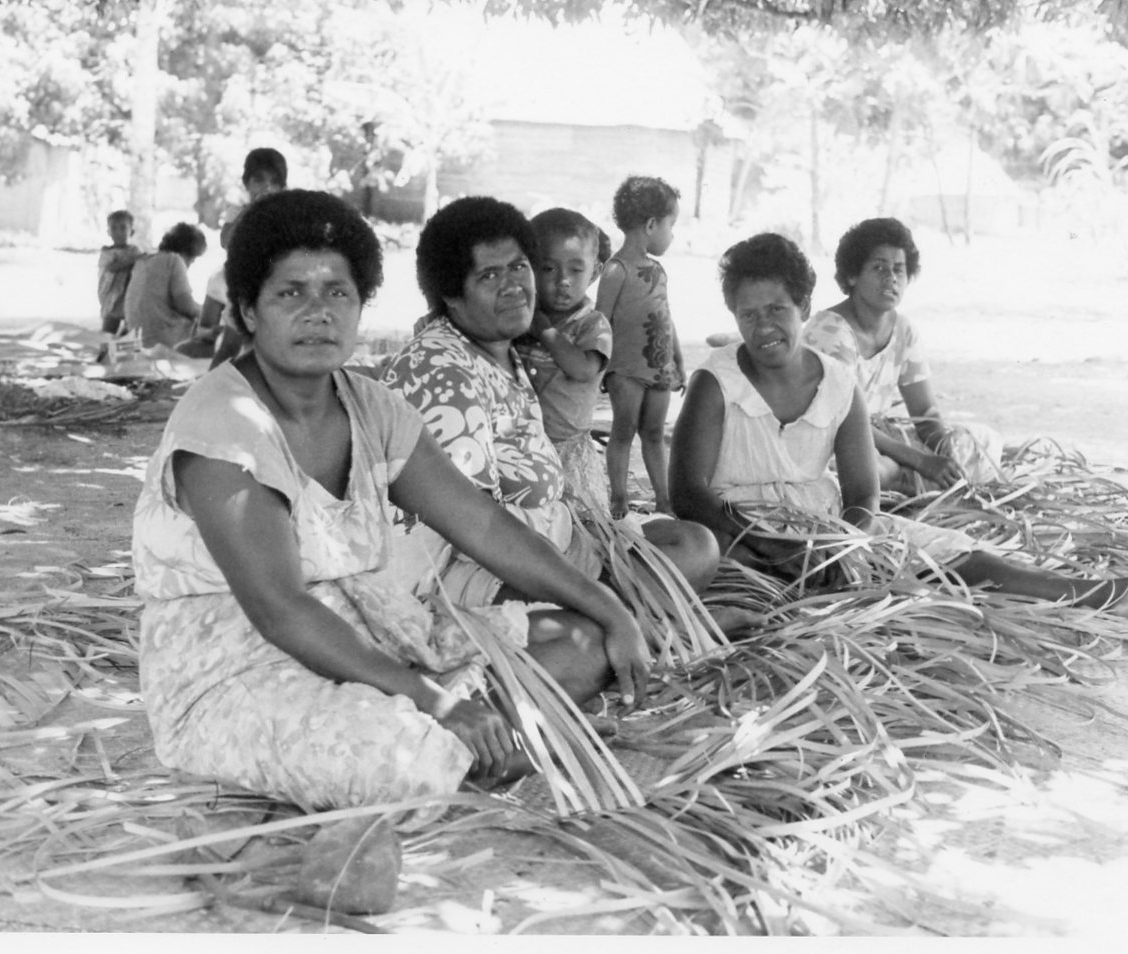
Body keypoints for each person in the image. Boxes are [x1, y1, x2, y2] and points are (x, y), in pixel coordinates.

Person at [132, 189, 649, 811]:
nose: (319, 312)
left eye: (338, 292)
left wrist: (610, 610)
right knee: (394, 754)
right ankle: (509, 738)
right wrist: (433, 701)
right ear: (247, 309)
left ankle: (497, 741)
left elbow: (484, 526)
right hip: (241, 671)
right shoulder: (224, 425)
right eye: (291, 293)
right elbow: (281, 612)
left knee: (582, 638)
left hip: (374, 634)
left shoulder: (372, 407)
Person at [669, 232, 1128, 621]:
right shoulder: (715, 383)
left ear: (804, 306)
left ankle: (1100, 596)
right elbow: (688, 494)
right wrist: (775, 545)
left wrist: (843, 545)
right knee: (735, 582)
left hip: (822, 527)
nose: (763, 328)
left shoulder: (837, 383)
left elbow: (860, 492)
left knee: (957, 554)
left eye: (777, 309)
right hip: (735, 530)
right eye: (747, 315)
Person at [381, 196, 718, 609]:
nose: (514, 286)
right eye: (489, 275)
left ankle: (619, 618)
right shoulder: (441, 370)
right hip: (486, 571)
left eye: (519, 267)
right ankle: (619, 619)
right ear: (451, 292)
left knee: (693, 544)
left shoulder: (502, 345)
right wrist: (593, 597)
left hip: (553, 539)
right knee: (581, 634)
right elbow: (474, 532)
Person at [803, 217, 1003, 493]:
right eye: (879, 268)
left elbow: (924, 411)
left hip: (882, 438)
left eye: (899, 269)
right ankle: (907, 483)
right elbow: (844, 421)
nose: (891, 278)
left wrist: (945, 454)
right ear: (852, 275)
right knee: (868, 469)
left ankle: (914, 483)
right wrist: (921, 461)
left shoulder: (904, 331)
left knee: (983, 440)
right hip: (833, 439)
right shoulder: (830, 332)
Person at [512, 208, 614, 514]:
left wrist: (545, 330)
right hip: (521, 448)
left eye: (575, 270)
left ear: (595, 273)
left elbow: (582, 369)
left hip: (567, 454)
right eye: (548, 269)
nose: (563, 281)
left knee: (579, 531)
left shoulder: (593, 325)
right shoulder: (519, 318)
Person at [599, 175, 684, 518]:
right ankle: (619, 498)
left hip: (659, 366)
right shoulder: (616, 270)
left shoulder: (659, 270)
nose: (672, 234)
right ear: (651, 224)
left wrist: (678, 358)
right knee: (623, 429)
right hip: (627, 369)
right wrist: (599, 366)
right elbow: (600, 321)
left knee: (654, 432)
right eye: (671, 225)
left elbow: (666, 316)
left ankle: (662, 499)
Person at [207, 148, 289, 368]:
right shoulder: (238, 212)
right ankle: (206, 393)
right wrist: (250, 211)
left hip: (275, 291)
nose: (266, 187)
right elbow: (227, 242)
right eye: (259, 180)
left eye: (274, 182)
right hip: (245, 289)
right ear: (247, 183)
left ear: (283, 187)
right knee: (229, 347)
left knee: (270, 350)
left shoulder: (286, 215)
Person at [123, 222, 206, 349]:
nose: (192, 263)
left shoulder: (143, 261)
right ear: (185, 252)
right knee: (215, 333)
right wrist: (207, 312)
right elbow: (185, 306)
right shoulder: (174, 260)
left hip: (137, 337)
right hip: (163, 339)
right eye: (192, 258)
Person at [96, 210, 142, 336]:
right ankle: (103, 353)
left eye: (123, 228)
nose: (118, 232)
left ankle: (121, 347)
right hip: (112, 298)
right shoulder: (107, 253)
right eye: (114, 228)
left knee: (130, 330)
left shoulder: (134, 251)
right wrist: (131, 261)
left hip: (130, 296)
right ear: (108, 232)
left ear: (131, 231)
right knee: (108, 330)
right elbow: (110, 268)